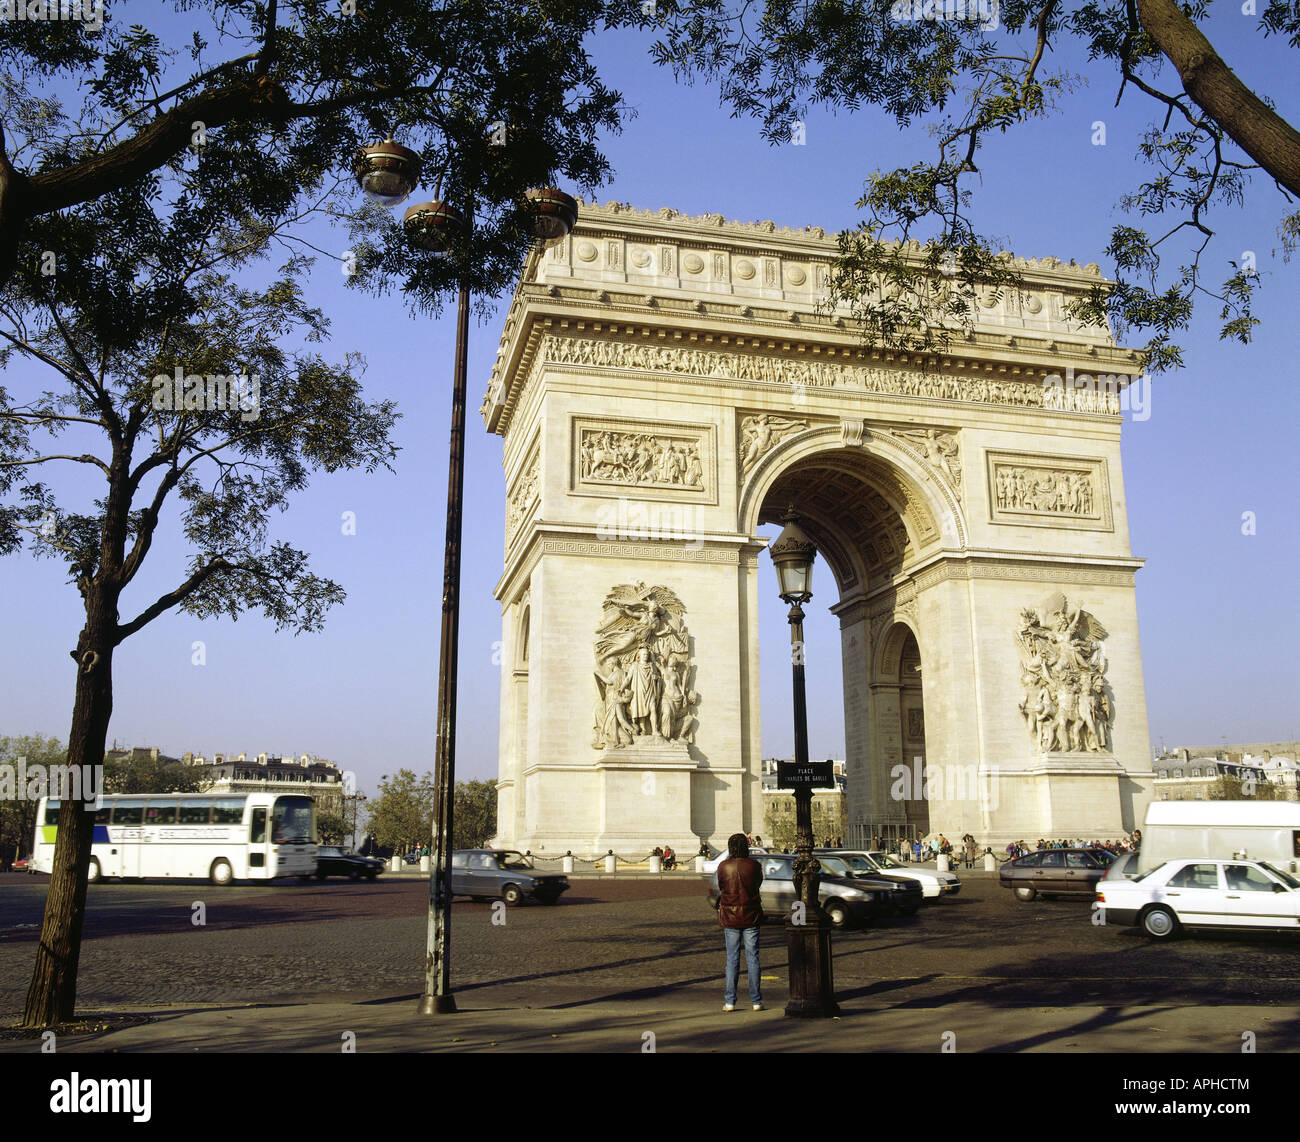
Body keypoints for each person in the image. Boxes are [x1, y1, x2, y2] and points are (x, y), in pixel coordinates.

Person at [716, 832, 764, 1012]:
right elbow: (757, 884)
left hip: (730, 915)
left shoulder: (723, 866)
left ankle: (730, 1001)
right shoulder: (754, 865)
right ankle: (756, 1001)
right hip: (751, 914)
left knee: (732, 959)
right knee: (753, 958)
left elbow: (721, 887)